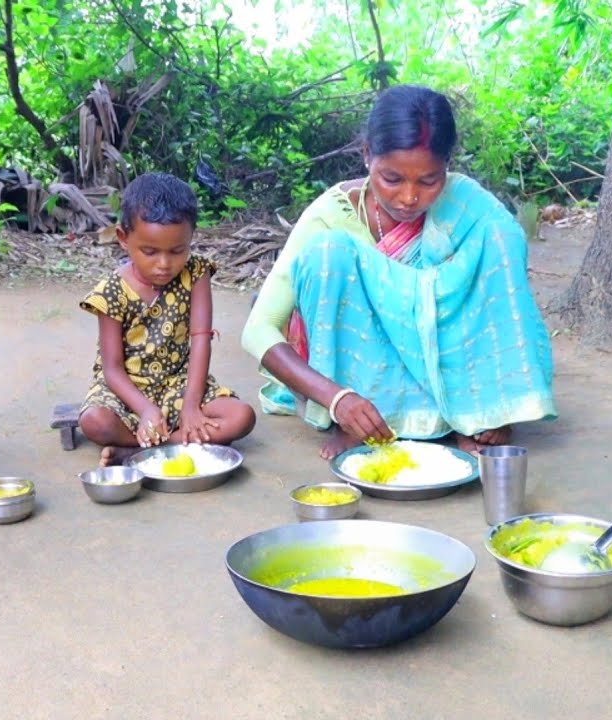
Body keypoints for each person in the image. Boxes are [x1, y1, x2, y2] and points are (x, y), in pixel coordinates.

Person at [241, 85, 557, 460]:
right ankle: (363, 417)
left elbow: (502, 291)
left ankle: (477, 410)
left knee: (501, 236)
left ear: (446, 167)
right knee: (330, 254)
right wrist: (337, 398)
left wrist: (491, 402)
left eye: (428, 181)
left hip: (448, 367)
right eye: (392, 179)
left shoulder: (465, 205)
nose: (409, 198)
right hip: (359, 380)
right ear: (366, 156)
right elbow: (258, 329)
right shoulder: (332, 215)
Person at [78, 172, 256, 466]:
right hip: (128, 390)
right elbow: (112, 370)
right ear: (123, 238)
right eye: (149, 251)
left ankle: (135, 449)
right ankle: (167, 440)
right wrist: (146, 410)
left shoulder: (196, 272)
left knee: (241, 417)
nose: (164, 264)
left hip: (180, 383)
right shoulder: (110, 292)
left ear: (190, 239)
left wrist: (191, 405)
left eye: (177, 251)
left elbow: (201, 339)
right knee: (96, 422)